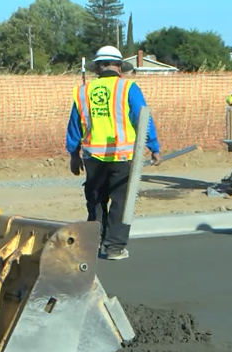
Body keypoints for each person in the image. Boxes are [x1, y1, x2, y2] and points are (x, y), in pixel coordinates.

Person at [66, 45, 160, 261]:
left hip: (92, 158)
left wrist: (73, 154)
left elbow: (74, 125)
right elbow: (143, 117)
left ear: (98, 68)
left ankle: (94, 242)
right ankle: (114, 248)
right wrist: (154, 147)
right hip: (122, 156)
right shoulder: (128, 88)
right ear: (119, 67)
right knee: (120, 202)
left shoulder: (83, 91)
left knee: (96, 201)